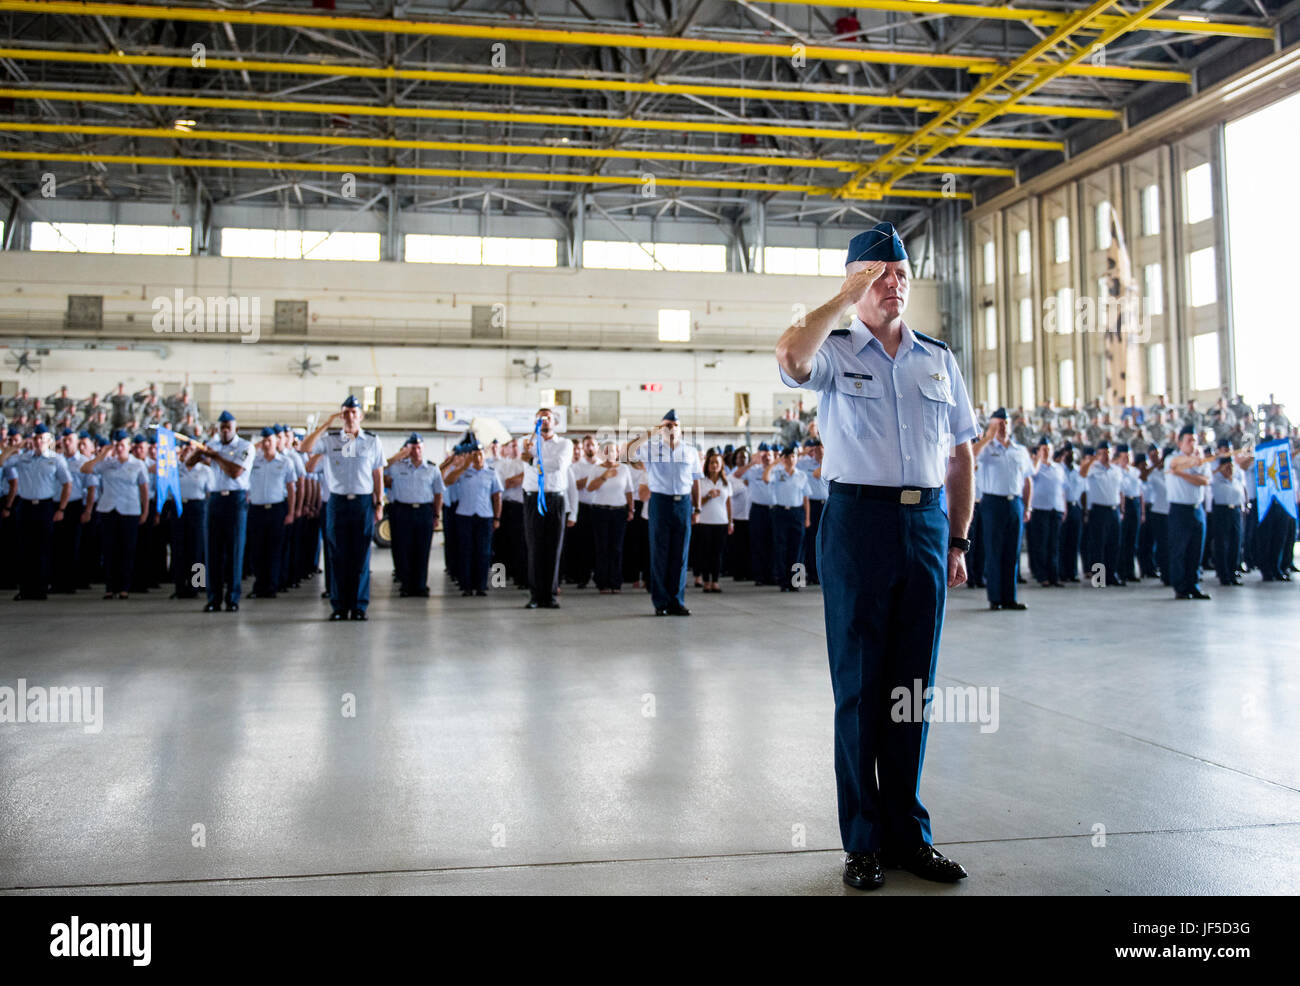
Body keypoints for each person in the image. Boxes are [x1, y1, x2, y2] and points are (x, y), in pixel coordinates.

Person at [775, 220, 977, 889]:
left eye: (902, 275)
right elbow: (789, 357)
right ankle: (862, 841)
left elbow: (960, 455)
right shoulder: (836, 349)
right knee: (860, 688)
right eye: (880, 274)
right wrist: (839, 299)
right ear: (858, 278)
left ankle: (907, 837)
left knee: (911, 691)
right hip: (856, 522)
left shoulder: (937, 358)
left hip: (924, 525)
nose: (895, 285)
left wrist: (957, 539)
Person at [301, 396, 384, 620]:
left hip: (363, 502)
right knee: (337, 555)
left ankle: (358, 606)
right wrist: (326, 424)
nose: (349, 417)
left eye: (353, 413)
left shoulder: (372, 441)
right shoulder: (330, 440)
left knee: (360, 556)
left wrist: (379, 503)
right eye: (345, 413)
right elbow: (304, 447)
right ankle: (339, 606)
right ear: (340, 415)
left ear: (361, 416)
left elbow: (377, 473)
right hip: (337, 503)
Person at [632, 409, 704, 616]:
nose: (671, 429)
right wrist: (648, 433)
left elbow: (696, 481)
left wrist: (697, 508)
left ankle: (676, 601)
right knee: (659, 554)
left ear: (681, 429)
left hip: (683, 503)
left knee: (680, 555)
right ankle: (660, 602)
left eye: (674, 425)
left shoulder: (690, 451)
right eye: (666, 425)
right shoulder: (650, 449)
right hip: (660, 503)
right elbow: (624, 453)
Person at [0, 424, 72, 600]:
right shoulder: (22, 458)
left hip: (45, 506)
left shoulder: (56, 459)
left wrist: (61, 508)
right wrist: (16, 447)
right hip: (25, 506)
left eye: (43, 439)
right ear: (32, 440)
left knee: (43, 548)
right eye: (36, 438)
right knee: (25, 548)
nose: (39, 442)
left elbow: (67, 484)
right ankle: (26, 589)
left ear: (48, 441)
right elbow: (1, 461)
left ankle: (40, 589)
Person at [972, 409, 1033, 610]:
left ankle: (1010, 597)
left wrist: (1027, 505)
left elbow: (1027, 480)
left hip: (1014, 502)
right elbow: (970, 457)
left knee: (1012, 552)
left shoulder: (1020, 450)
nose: (1003, 427)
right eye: (998, 423)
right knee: (994, 550)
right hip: (992, 503)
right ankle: (995, 598)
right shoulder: (986, 449)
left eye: (1005, 423)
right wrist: (988, 437)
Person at [81, 429, 149, 599]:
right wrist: (102, 454)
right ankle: (110, 586)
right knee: (109, 549)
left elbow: (144, 490)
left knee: (127, 549)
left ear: (129, 446)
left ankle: (125, 587)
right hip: (108, 509)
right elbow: (86, 469)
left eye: (122, 445)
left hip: (130, 510)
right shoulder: (106, 463)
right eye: (116, 445)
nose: (119, 448)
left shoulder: (138, 464)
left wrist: (145, 511)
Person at [520, 408, 576, 609]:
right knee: (535, 547)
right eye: (540, 417)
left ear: (555, 422)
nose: (544, 420)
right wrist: (532, 458)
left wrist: (533, 460)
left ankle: (550, 594)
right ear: (535, 421)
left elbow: (558, 465)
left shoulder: (565, 444)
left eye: (548, 417)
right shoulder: (526, 442)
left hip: (555, 499)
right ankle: (535, 595)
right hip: (533, 498)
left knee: (553, 547)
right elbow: (532, 465)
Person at [384, 433, 445, 597]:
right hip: (402, 511)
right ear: (407, 449)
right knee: (403, 549)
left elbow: (438, 493)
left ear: (423, 448)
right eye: (412, 447)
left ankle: (420, 585)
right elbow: (380, 468)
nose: (416, 451)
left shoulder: (432, 468)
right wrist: (398, 456)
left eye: (419, 447)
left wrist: (436, 515)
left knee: (422, 550)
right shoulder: (397, 467)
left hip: (424, 511)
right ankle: (406, 585)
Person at [443, 437, 503, 596]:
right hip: (464, 515)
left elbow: (497, 496)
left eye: (480, 454)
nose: (477, 458)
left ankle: (481, 585)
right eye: (474, 455)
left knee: (483, 552)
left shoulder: (491, 472)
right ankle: (466, 585)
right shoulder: (463, 472)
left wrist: (497, 518)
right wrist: (463, 466)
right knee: (465, 551)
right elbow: (447, 481)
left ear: (484, 455)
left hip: (485, 516)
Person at [246, 426, 297, 599]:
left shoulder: (285, 462)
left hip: (276, 509)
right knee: (257, 550)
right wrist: (255, 446)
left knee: (274, 550)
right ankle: (259, 586)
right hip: (256, 509)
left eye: (270, 440)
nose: (267, 444)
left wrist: (291, 512)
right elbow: (243, 458)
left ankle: (272, 586)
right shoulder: (254, 461)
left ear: (276, 441)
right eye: (264, 440)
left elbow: (291, 489)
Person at [1165, 425, 1212, 599]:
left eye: (1195, 441)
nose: (1192, 444)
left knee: (1195, 550)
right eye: (1189, 441)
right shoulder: (1172, 458)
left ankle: (1194, 585)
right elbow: (1174, 466)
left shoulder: (1201, 461)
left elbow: (1205, 481)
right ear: (1180, 442)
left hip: (1196, 508)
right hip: (1179, 509)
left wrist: (1183, 474)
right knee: (1179, 550)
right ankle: (1180, 587)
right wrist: (1191, 468)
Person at [585, 440, 635, 594]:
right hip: (600, 511)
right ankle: (603, 582)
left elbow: (629, 490)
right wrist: (604, 476)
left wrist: (631, 509)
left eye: (612, 451)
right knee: (602, 547)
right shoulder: (596, 468)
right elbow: (589, 488)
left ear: (617, 453)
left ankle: (615, 582)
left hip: (619, 511)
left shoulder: (625, 469)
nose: (609, 454)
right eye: (606, 451)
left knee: (617, 547)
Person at [1079, 440, 1124, 586]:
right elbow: (1082, 473)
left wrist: (1122, 508)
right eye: (1102, 453)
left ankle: (1112, 575)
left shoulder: (1116, 470)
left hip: (1113, 509)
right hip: (1098, 510)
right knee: (1098, 545)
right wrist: (1091, 460)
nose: (1105, 456)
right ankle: (1099, 578)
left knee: (1114, 544)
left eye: (1108, 453)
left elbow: (1120, 490)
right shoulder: (1093, 468)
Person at [172, 443, 212, 599]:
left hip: (197, 507)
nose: (188, 453)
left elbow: (209, 492)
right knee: (179, 549)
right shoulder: (175, 470)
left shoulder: (205, 471)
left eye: (192, 451)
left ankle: (196, 585)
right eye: (186, 450)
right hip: (179, 507)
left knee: (197, 548)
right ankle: (179, 587)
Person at [1209, 439, 1250, 587]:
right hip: (1222, 509)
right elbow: (1208, 478)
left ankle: (1233, 573)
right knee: (1222, 543)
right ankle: (1223, 574)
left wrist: (1245, 504)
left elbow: (1243, 488)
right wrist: (1219, 469)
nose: (1230, 469)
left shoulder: (1237, 473)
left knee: (1236, 542)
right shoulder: (1214, 471)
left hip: (1236, 509)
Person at [693, 448, 732, 593]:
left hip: (721, 522)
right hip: (705, 522)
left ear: (721, 465)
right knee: (705, 553)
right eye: (711, 463)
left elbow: (728, 503)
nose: (714, 465)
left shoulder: (726, 483)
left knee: (717, 553)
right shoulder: (702, 482)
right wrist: (708, 496)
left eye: (717, 463)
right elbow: (696, 503)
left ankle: (715, 580)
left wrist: (730, 521)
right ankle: (706, 581)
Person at [1026, 438, 1064, 587]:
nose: (1046, 452)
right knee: (1041, 543)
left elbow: (1062, 489)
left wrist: (1063, 508)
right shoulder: (1035, 467)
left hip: (1056, 509)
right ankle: (1042, 576)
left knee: (1054, 544)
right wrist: (1037, 460)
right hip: (1040, 509)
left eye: (1048, 449)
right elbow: (1031, 475)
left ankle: (1054, 575)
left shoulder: (1058, 468)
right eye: (1043, 449)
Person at [798, 438, 828, 584]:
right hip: (812, 505)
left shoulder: (830, 462)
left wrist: (826, 459)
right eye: (817, 448)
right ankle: (811, 573)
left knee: (826, 540)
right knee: (811, 541)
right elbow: (816, 474)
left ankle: (823, 573)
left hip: (826, 504)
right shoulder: (805, 464)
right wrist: (804, 451)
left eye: (822, 447)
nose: (820, 451)